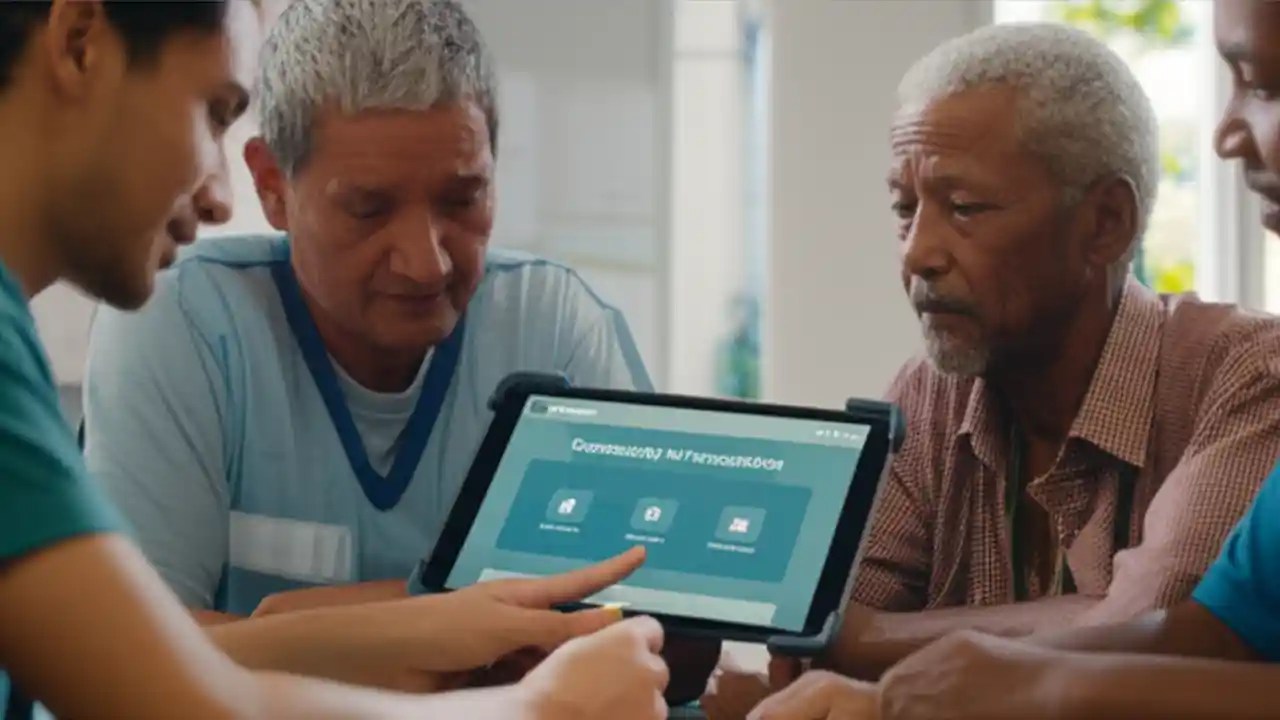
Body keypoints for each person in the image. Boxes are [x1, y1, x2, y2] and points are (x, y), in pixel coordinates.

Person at [0, 1, 672, 719]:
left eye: (463, 198)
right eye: (213, 113)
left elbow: (134, 672)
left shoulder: (558, 317)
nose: (218, 197)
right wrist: (533, 704)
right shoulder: (179, 321)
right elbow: (149, 693)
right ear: (80, 43)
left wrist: (346, 626)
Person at [704, 18, 1280, 720]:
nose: (918, 253)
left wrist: (876, 643)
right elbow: (817, 636)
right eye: (904, 209)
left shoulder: (1251, 375)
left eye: (965, 209)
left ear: (1105, 223)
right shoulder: (930, 393)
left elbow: (1167, 637)